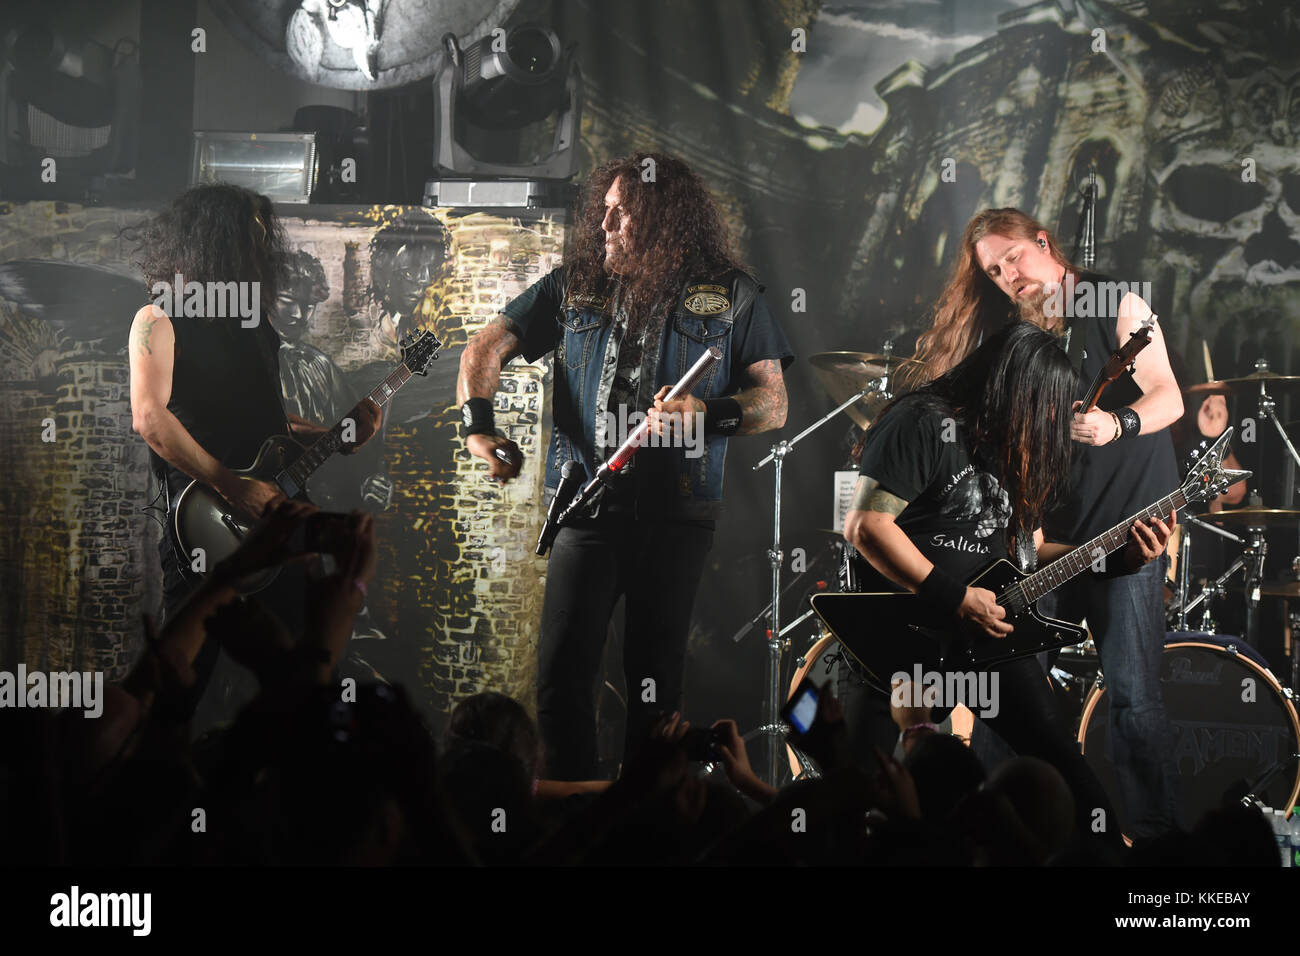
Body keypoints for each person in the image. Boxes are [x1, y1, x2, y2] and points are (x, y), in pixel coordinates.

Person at [456, 153, 793, 780]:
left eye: (623, 213)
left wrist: (706, 413)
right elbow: (486, 346)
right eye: (605, 210)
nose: (605, 224)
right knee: (561, 675)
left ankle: (648, 820)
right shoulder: (574, 283)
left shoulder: (730, 293)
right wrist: (478, 426)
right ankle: (572, 814)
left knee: (655, 681)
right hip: (588, 504)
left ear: (665, 220)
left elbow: (772, 403)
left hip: (677, 514)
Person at [912, 207, 1182, 838]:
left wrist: (1119, 424)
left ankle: (1156, 849)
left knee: (1134, 702)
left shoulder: (1113, 300)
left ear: (1043, 243)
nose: (1008, 274)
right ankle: (994, 838)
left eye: (1014, 258)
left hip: (1129, 533)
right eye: (994, 270)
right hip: (1050, 543)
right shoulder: (1013, 335)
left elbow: (1168, 392)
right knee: (1007, 699)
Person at [842, 320, 1167, 844]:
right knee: (863, 799)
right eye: (1049, 406)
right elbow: (866, 527)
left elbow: (1031, 549)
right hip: (897, 638)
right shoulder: (922, 422)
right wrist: (955, 598)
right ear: (1016, 391)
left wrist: (1118, 559)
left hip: (983, 638)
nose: (1057, 421)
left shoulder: (1017, 450)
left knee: (1074, 781)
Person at [126, 183, 381, 723]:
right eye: (253, 233)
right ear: (215, 239)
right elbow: (150, 418)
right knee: (179, 684)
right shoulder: (158, 317)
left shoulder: (255, 325)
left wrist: (336, 434)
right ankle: (143, 791)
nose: (264, 246)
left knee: (306, 672)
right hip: (201, 520)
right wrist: (232, 484)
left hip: (274, 517)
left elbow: (267, 420)